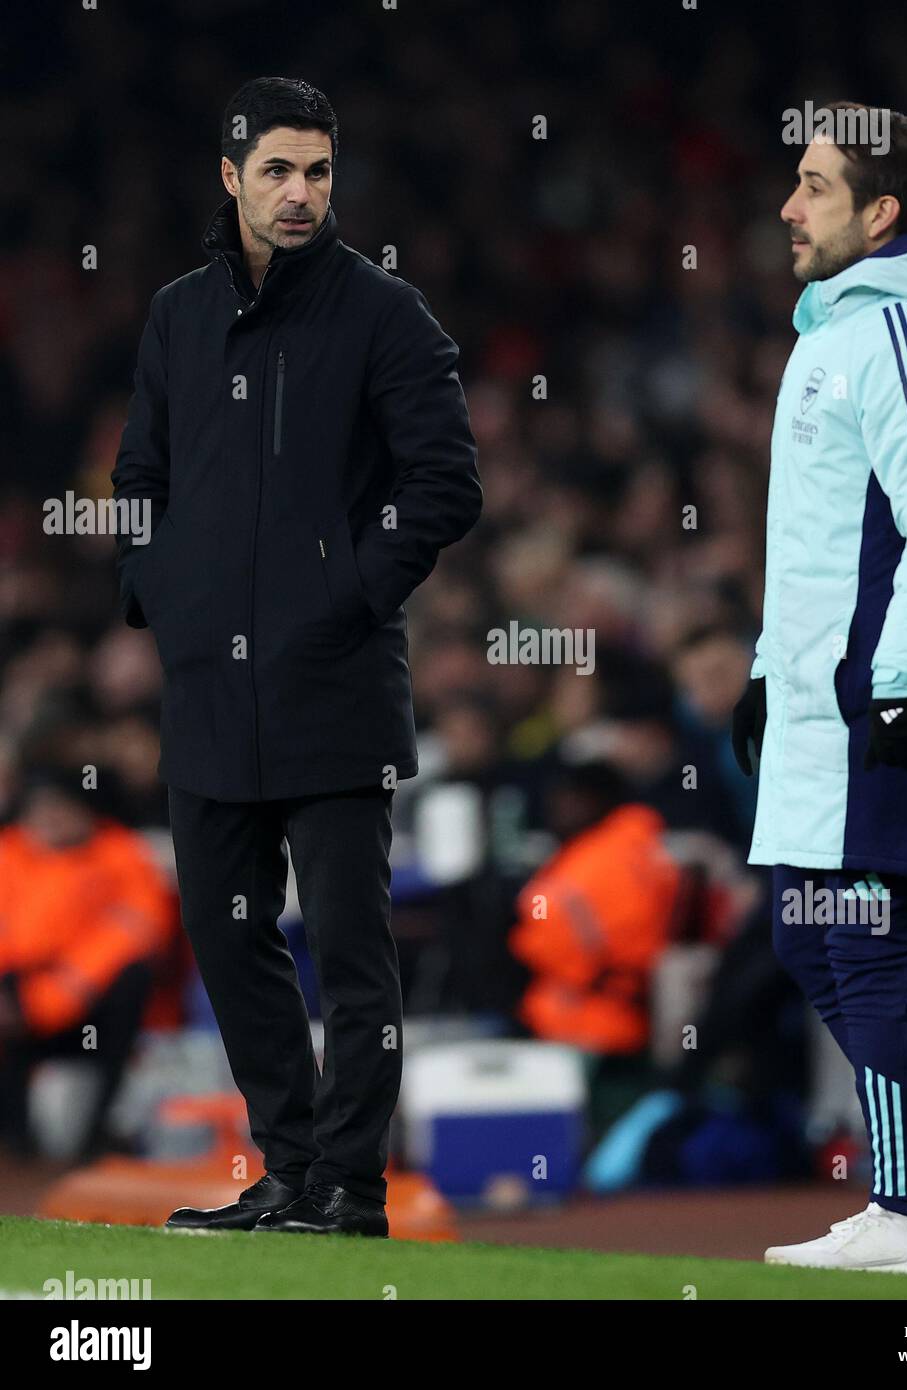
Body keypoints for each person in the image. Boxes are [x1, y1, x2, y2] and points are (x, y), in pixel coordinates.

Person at [110, 77, 482, 1236]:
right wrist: (160, 602)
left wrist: (343, 600)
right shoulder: (177, 313)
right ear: (229, 178)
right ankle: (287, 1165)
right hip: (209, 691)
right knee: (229, 941)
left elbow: (446, 488)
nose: (301, 193)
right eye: (276, 169)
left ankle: (352, 1188)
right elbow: (138, 481)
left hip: (333, 691)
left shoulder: (387, 313)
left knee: (349, 951)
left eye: (318, 171)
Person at [731, 102, 907, 1273]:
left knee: (860, 943)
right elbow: (818, 541)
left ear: (881, 210)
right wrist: (764, 669)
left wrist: (897, 683)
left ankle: (904, 1217)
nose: (788, 208)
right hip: (824, 699)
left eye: (813, 186)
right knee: (810, 938)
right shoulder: (838, 329)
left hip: (887, 697)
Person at [0, 766, 173, 1162]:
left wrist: (49, 998)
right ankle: (15, 1145)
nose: (52, 818)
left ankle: (93, 1140)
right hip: (15, 1001)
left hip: (88, 1008)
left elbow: (139, 930)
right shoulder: (8, 852)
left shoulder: (119, 853)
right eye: (41, 808)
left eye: (63, 807)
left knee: (133, 980)